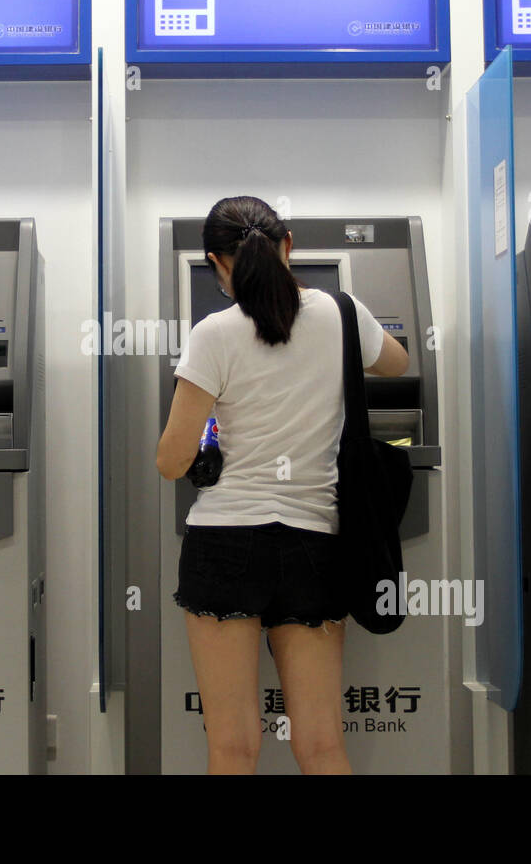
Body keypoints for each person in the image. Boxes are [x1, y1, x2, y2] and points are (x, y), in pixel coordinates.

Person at [156, 196, 409, 774]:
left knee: (233, 747)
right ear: (288, 245)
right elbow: (396, 364)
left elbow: (172, 460)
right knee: (321, 746)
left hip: (224, 543)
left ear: (217, 264)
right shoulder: (342, 312)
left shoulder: (213, 333)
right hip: (313, 544)